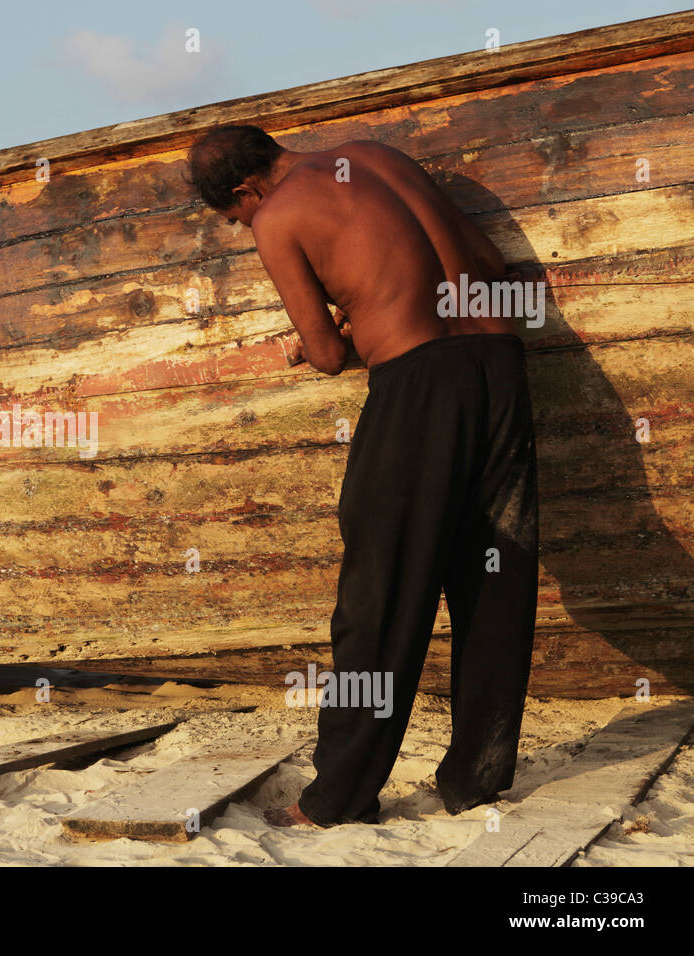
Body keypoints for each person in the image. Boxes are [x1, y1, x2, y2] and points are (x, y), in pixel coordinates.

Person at [186, 126, 539, 827]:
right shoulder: (377, 157)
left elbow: (323, 354)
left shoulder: (281, 213)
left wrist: (336, 334)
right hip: (500, 367)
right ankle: (476, 779)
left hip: (418, 386)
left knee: (379, 596)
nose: (245, 227)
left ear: (245, 191)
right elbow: (489, 264)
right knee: (495, 579)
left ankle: (338, 799)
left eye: (236, 220)